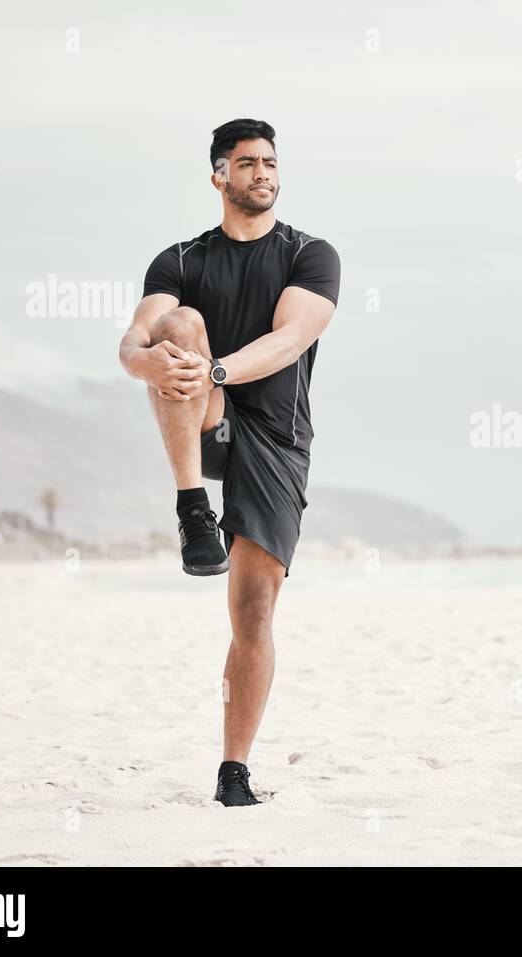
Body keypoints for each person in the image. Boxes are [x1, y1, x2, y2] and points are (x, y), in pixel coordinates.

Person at [117, 118, 341, 806]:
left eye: (270, 162)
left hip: (275, 436)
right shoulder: (180, 260)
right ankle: (193, 508)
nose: (263, 173)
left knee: (253, 607)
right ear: (218, 175)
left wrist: (212, 370)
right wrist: (145, 359)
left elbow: (288, 339)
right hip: (207, 424)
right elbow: (133, 338)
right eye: (246, 163)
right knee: (175, 327)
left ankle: (233, 770)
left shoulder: (311, 254)